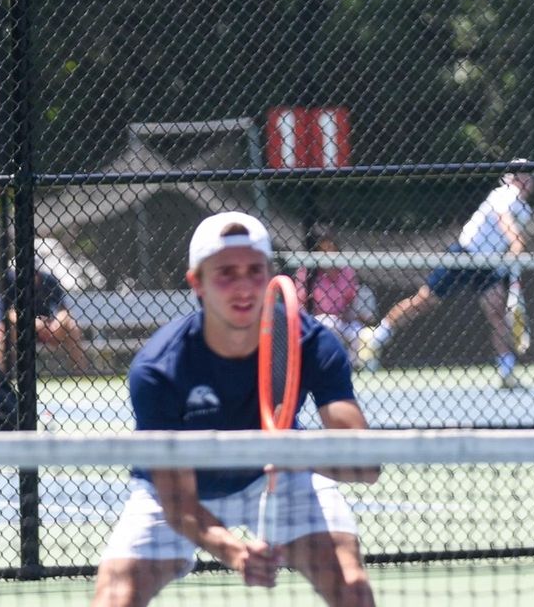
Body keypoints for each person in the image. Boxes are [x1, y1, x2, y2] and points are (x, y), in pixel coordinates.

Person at [92, 211, 378, 607]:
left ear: (270, 275)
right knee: (115, 598)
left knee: (351, 588)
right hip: (179, 492)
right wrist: (234, 551)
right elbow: (177, 501)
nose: (243, 287)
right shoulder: (158, 368)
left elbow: (365, 465)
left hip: (283, 475)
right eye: (226, 272)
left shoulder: (311, 342)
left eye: (254, 271)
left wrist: (293, 451)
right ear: (198, 283)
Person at [358, 163, 534, 389]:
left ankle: (506, 370)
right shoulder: (502, 195)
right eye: (522, 176)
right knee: (424, 300)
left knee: (497, 313)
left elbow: (506, 242)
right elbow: (505, 224)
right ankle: (377, 336)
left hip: (488, 265)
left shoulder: (525, 209)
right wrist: (516, 242)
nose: (528, 180)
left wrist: (508, 259)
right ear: (512, 179)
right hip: (464, 254)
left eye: (529, 176)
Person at [0, 264, 93, 376]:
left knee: (72, 327)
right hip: (21, 329)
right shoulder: (11, 282)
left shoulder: (49, 281)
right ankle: (1, 376)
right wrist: (30, 321)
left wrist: (58, 322)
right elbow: (9, 312)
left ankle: (81, 372)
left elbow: (64, 310)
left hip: (47, 328)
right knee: (1, 330)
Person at [295, 223, 371, 367]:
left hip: (342, 321)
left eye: (331, 247)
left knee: (358, 332)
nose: (328, 253)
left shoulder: (346, 271)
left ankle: (351, 366)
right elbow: (300, 306)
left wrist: (348, 315)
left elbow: (351, 302)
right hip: (316, 321)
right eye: (323, 249)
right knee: (328, 322)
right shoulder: (307, 272)